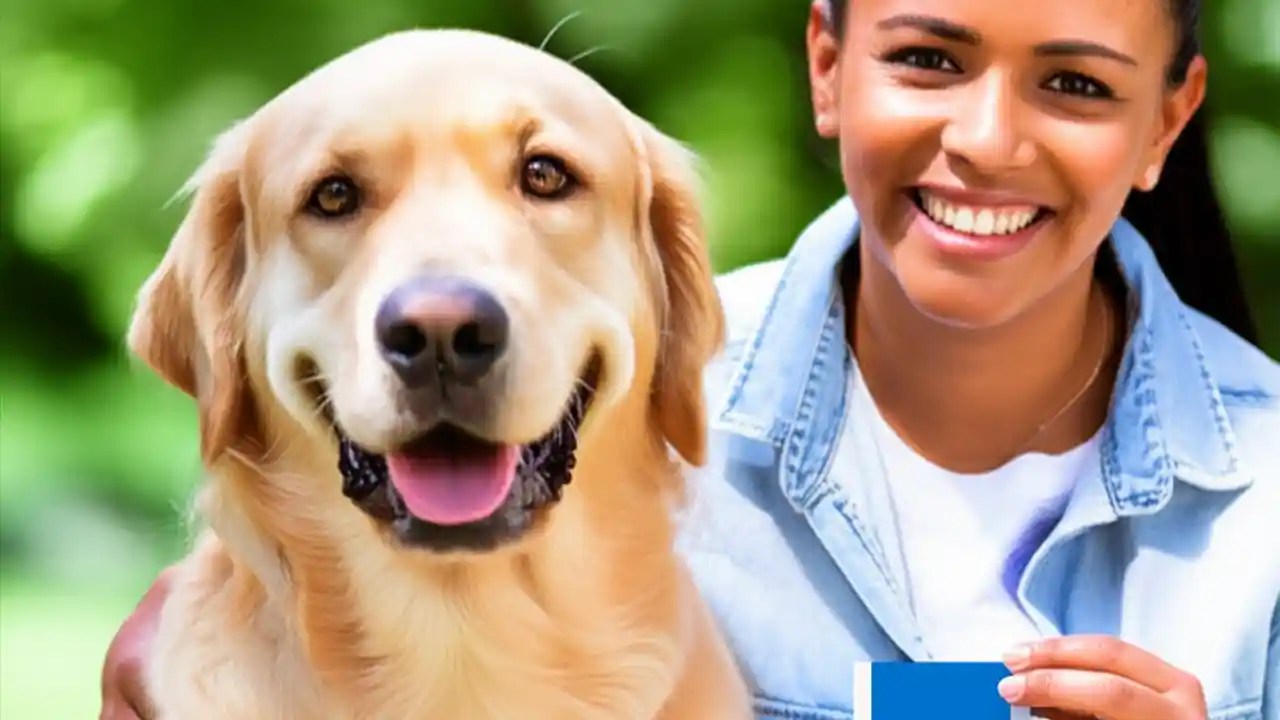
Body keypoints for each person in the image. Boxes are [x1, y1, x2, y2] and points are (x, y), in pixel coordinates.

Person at [101, 0, 1279, 718]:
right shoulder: (641, 417)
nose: (983, 138)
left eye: (1073, 84)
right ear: (826, 66)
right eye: (926, 58)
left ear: (1165, 123)